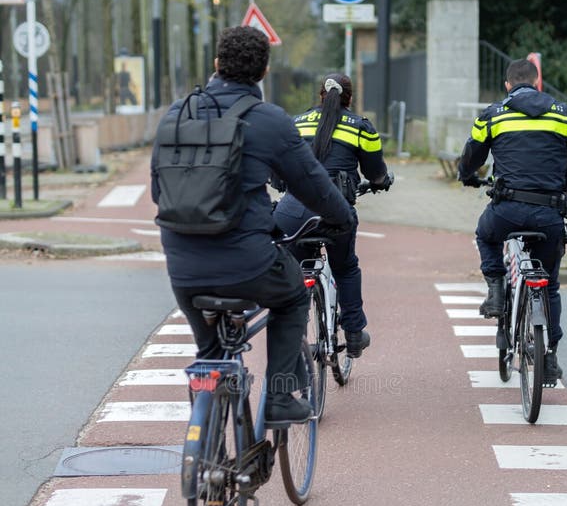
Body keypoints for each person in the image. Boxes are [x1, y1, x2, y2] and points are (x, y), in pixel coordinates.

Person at [150, 26, 354, 426]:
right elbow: (314, 186)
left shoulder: (176, 114)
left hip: (184, 270)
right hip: (249, 265)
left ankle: (207, 443)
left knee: (210, 354)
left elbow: (160, 189)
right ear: (264, 71)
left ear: (215, 65)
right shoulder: (269, 120)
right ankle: (279, 396)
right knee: (293, 295)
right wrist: (343, 218)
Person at [458, 57, 567, 384]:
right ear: (537, 82)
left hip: (507, 210)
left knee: (485, 235)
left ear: (507, 85)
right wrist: (564, 182)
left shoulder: (492, 115)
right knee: (551, 284)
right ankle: (550, 356)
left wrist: (468, 176)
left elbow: (472, 156)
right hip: (550, 212)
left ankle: (497, 289)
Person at [272, 73, 392, 358]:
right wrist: (380, 182)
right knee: (346, 267)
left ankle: (292, 338)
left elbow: (277, 167)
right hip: (334, 213)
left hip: (292, 211)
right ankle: (353, 334)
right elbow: (376, 172)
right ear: (349, 98)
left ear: (320, 96)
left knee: (293, 271)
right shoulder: (362, 127)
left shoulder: (295, 123)